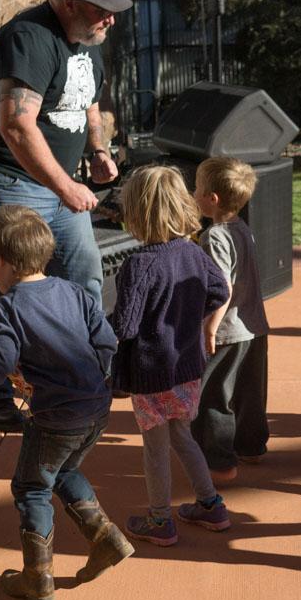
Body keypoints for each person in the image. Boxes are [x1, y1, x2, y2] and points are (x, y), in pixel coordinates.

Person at [0, 0, 131, 433]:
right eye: (101, 9)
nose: (110, 19)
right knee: (7, 284)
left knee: (83, 274)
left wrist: (98, 149)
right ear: (69, 3)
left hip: (58, 182)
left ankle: (85, 373)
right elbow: (15, 126)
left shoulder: (87, 40)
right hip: (5, 177)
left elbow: (89, 98)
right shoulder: (29, 37)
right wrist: (66, 185)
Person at [0, 205, 130, 600]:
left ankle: (37, 577)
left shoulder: (6, 308)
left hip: (55, 416)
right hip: (96, 408)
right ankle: (105, 538)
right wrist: (89, 377)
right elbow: (106, 342)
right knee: (64, 469)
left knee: (30, 487)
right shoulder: (74, 292)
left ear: (4, 263)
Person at [110, 165, 232, 546]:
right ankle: (210, 503)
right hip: (188, 367)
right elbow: (220, 290)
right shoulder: (194, 253)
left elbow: (124, 327)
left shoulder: (138, 265)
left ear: (136, 213)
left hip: (152, 373)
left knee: (155, 448)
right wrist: (189, 316)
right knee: (182, 435)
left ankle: (160, 518)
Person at [190, 157, 271, 484]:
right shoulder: (242, 228)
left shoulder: (213, 236)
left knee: (214, 393)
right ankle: (251, 446)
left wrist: (209, 327)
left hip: (226, 331)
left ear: (212, 199)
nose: (193, 194)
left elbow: (221, 286)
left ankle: (219, 459)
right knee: (250, 391)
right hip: (254, 327)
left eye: (197, 189)